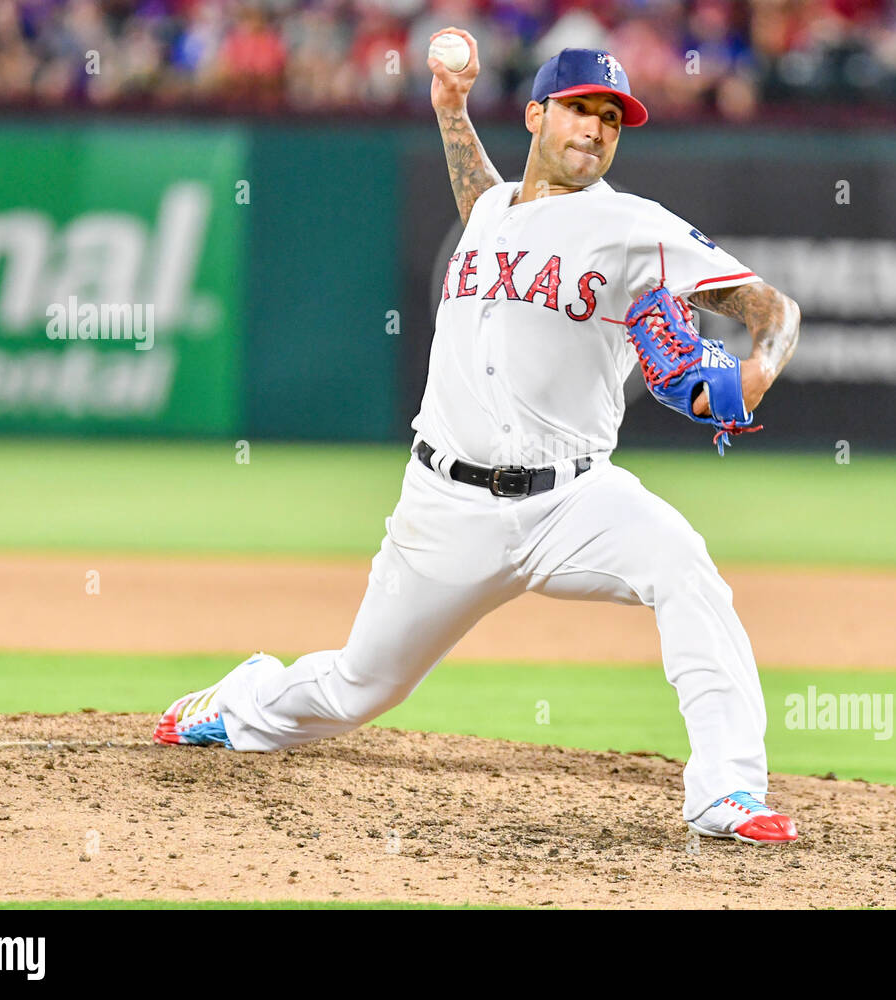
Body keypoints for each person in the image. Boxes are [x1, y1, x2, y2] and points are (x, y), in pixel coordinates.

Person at [154, 27, 804, 846]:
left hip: (573, 500)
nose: (597, 128)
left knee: (687, 570)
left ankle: (727, 792)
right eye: (580, 109)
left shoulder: (634, 228)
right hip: (444, 506)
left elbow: (775, 311)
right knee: (360, 687)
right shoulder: (495, 210)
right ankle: (245, 701)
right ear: (535, 116)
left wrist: (756, 373)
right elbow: (484, 197)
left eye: (612, 117)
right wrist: (450, 108)